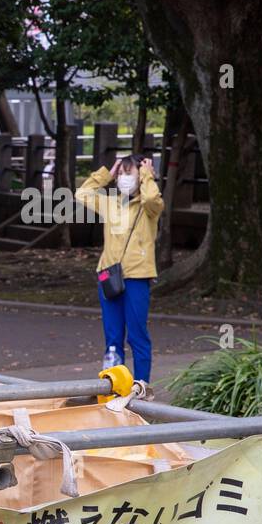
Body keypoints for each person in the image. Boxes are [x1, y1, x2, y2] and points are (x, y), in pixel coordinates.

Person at [76, 154, 163, 383]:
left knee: (137, 335)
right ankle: (114, 384)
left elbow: (152, 198)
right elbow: (82, 194)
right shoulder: (110, 203)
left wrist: (146, 176)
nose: (124, 178)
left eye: (129, 172)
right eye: (121, 174)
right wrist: (107, 173)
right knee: (112, 336)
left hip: (137, 276)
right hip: (108, 274)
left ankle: (141, 386)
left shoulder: (149, 208)